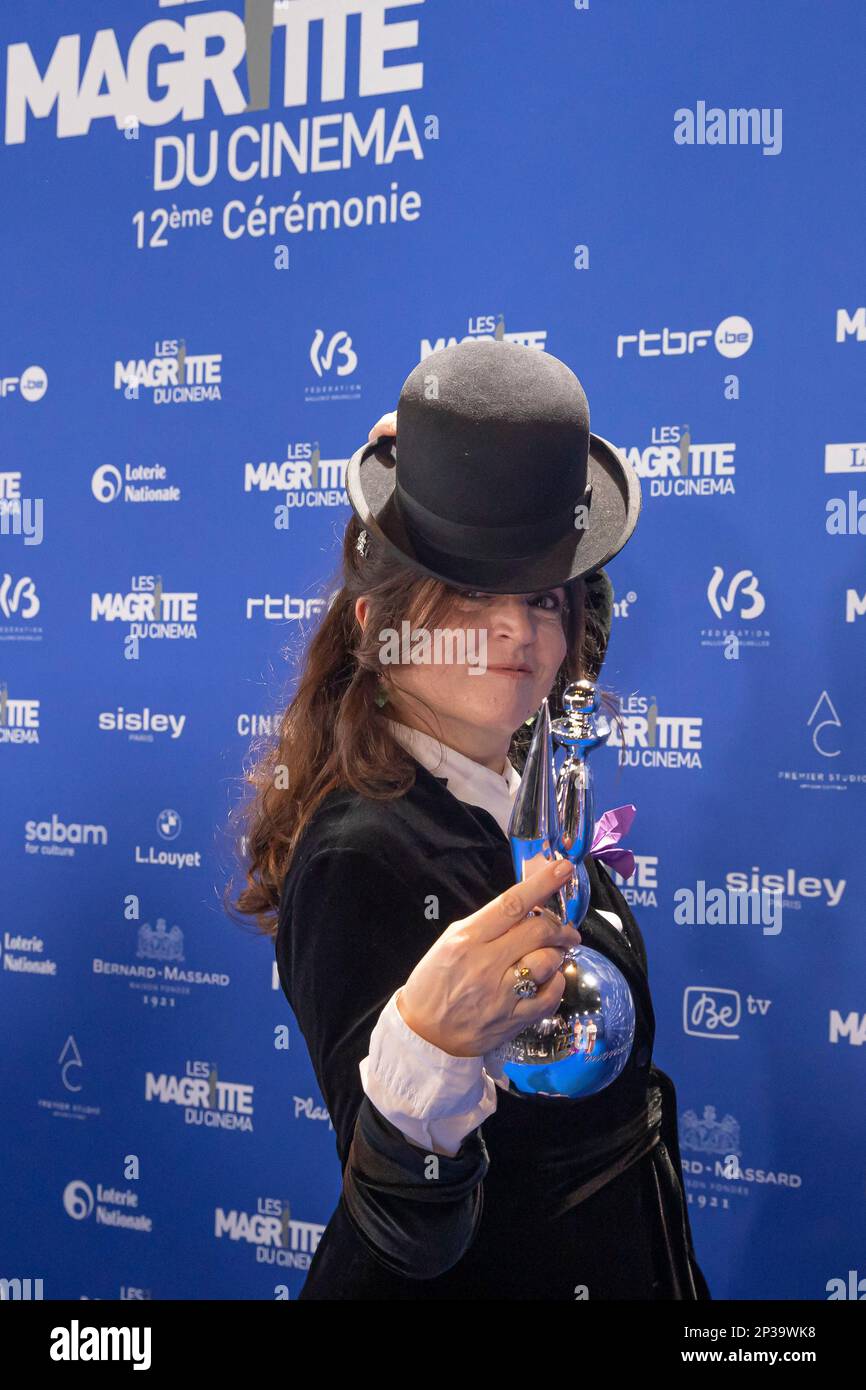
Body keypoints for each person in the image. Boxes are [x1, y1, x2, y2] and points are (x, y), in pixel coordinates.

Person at [229, 340, 711, 1299]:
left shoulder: (520, 770)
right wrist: (427, 1059)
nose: (516, 633)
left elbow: (562, 637)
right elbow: (408, 1234)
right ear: (377, 622)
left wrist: (486, 489)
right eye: (469, 594)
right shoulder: (363, 853)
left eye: (541, 599)